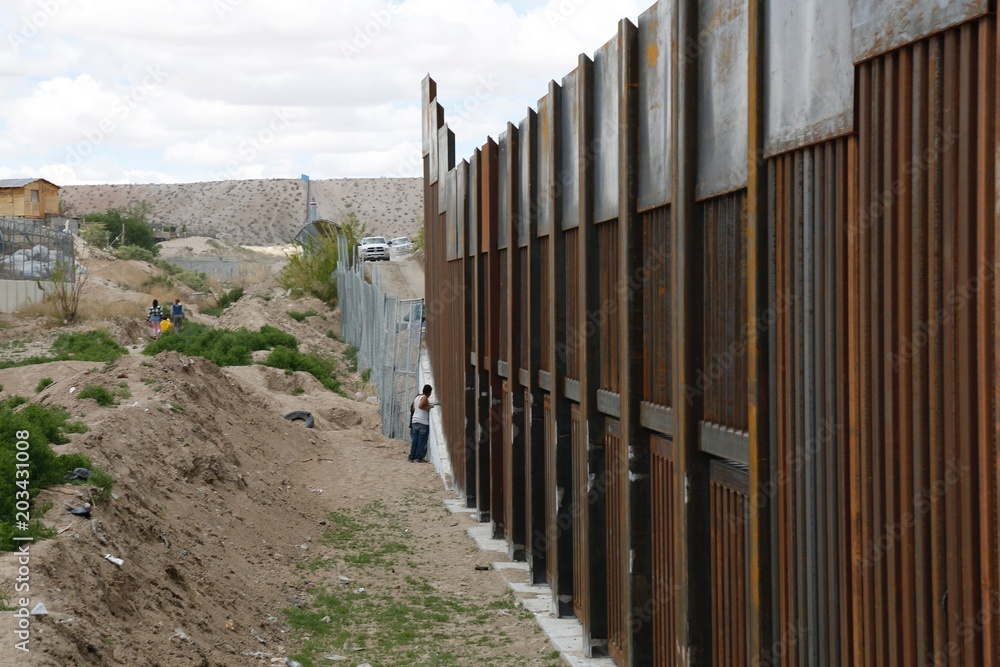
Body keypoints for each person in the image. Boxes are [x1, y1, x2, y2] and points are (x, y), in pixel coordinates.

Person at [408, 384, 432, 463]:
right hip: (423, 422)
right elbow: (421, 406)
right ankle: (418, 457)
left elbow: (413, 408)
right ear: (429, 393)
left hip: (415, 420)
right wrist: (428, 407)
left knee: (415, 440)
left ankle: (411, 457)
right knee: (422, 441)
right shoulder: (424, 397)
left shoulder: (417, 397)